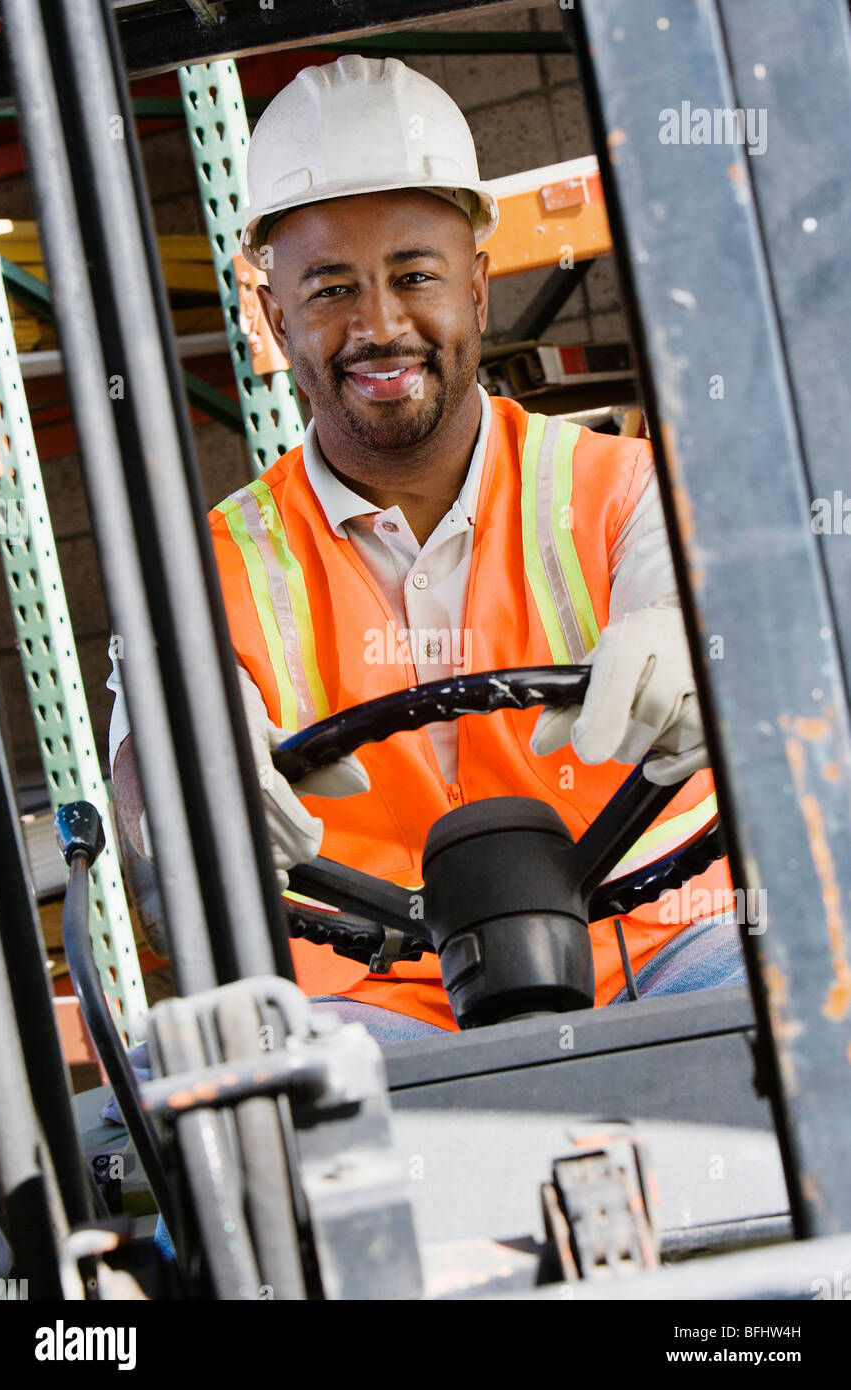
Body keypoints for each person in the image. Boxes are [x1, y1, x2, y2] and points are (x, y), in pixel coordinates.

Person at [109, 56, 742, 1044]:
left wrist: (696, 642)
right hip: (376, 1001)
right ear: (276, 319)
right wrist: (183, 778)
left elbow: (716, 608)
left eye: (413, 275)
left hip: (659, 945)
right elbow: (152, 770)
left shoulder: (622, 489)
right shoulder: (201, 571)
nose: (378, 326)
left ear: (477, 290)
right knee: (243, 1115)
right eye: (328, 290)